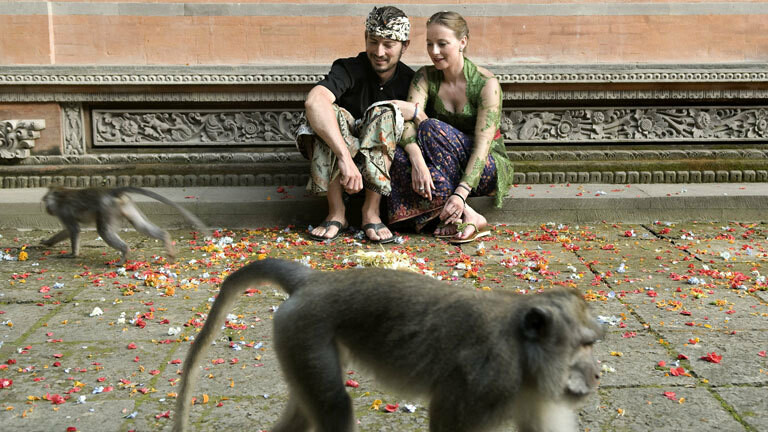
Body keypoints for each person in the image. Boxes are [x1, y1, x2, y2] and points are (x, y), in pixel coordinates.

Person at [387, 11, 514, 243]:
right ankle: (467, 216)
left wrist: (461, 194)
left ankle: (452, 209)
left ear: (462, 42)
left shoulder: (487, 84)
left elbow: (483, 147)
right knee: (397, 155)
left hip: (483, 166)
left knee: (431, 127)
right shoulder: (425, 77)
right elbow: (405, 125)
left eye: (442, 44)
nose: (434, 51)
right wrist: (417, 161)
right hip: (441, 167)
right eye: (429, 44)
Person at [296, 6, 415, 243]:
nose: (379, 51)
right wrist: (344, 157)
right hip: (342, 163)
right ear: (365, 39)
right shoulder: (348, 68)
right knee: (325, 113)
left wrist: (415, 111)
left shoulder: (411, 80)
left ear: (405, 45)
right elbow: (314, 101)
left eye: (388, 44)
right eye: (373, 42)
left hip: (383, 167)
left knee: (386, 111)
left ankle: (371, 212)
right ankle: (336, 212)